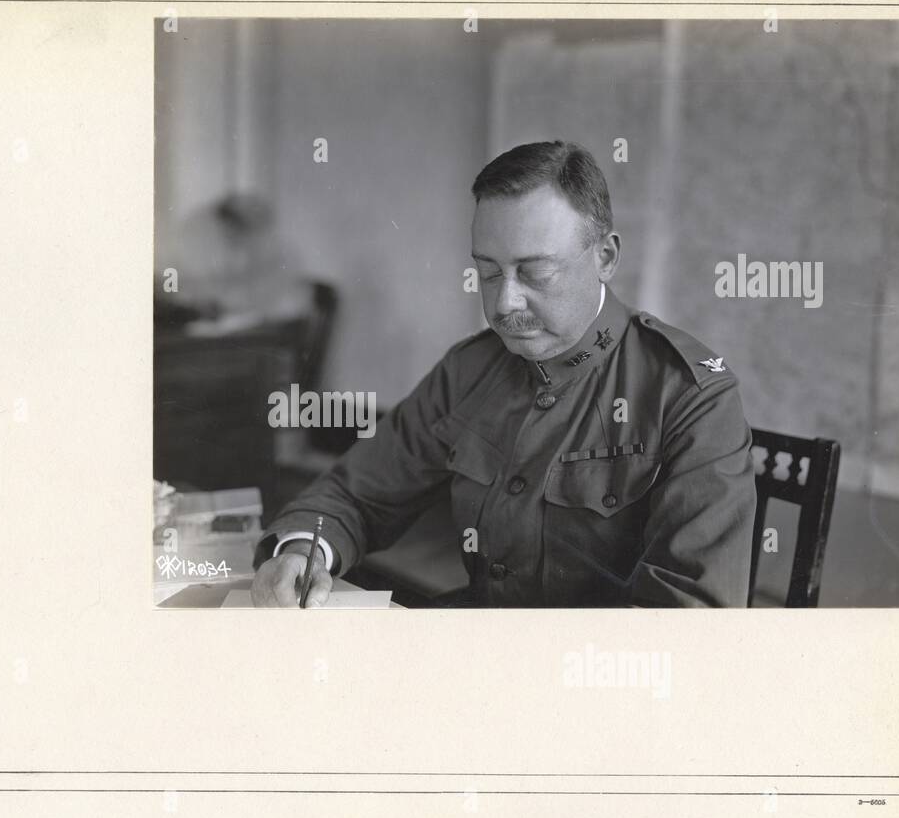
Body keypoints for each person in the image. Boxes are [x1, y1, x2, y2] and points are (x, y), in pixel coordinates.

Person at [250, 140, 757, 608]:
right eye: (488, 272)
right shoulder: (471, 369)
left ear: (605, 257)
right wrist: (303, 551)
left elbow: (688, 622)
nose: (504, 302)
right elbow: (357, 492)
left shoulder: (691, 397)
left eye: (534, 272)